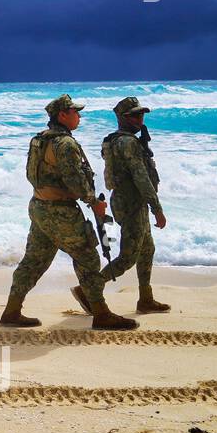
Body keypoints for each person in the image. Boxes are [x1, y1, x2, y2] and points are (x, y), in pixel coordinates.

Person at [2, 94, 138, 330]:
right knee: (88, 258)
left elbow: (31, 175)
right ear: (62, 115)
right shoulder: (65, 144)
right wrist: (92, 201)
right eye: (75, 112)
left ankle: (12, 311)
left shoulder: (39, 140)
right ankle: (101, 313)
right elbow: (73, 179)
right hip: (60, 212)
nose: (79, 116)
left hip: (39, 207)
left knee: (33, 262)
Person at [72, 96, 170, 314]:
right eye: (135, 115)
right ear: (123, 118)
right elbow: (141, 177)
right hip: (131, 203)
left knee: (147, 249)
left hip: (130, 201)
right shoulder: (127, 143)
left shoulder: (117, 140)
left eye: (141, 114)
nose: (140, 119)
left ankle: (146, 298)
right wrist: (158, 209)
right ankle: (87, 288)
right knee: (128, 257)